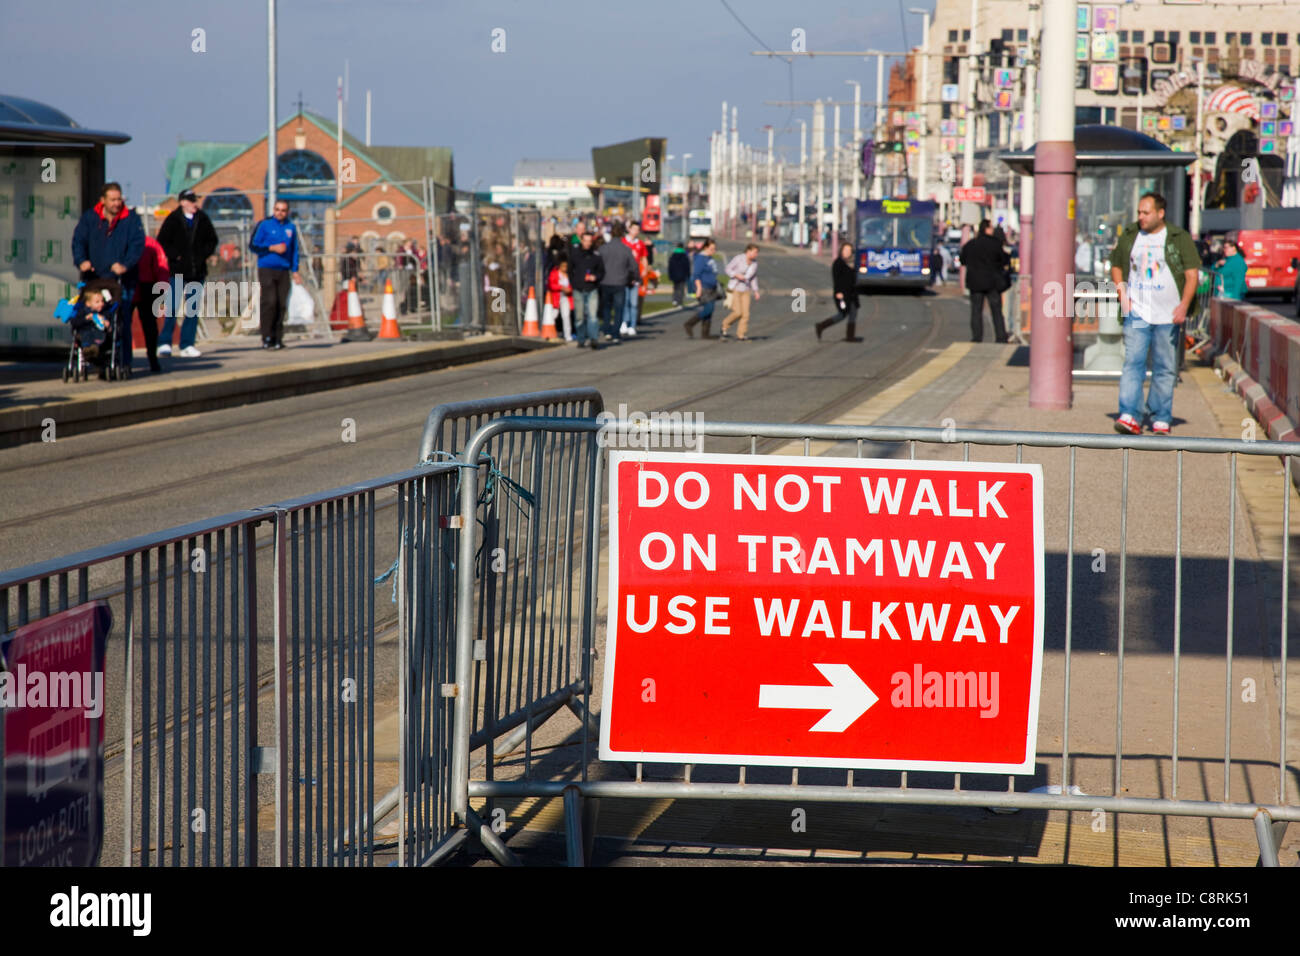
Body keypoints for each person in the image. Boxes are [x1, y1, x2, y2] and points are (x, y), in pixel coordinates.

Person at [1109, 191, 1202, 436]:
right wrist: (1123, 296)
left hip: (1167, 315)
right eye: (1139, 212)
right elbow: (1116, 265)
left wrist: (1184, 305)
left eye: (1146, 212)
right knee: (1133, 363)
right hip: (1137, 312)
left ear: (1160, 213)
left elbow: (1192, 274)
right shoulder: (1131, 234)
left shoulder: (1177, 237)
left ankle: (1161, 416)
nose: (1141, 217)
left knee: (1165, 366)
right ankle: (1129, 415)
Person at [71, 182, 145, 373]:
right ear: (103, 200)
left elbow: (137, 246)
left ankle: (123, 362)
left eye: (119, 199)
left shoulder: (131, 220)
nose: (117, 203)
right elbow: (78, 241)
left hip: (121, 281)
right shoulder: (90, 218)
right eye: (112, 199)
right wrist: (82, 261)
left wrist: (125, 265)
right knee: (86, 317)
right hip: (94, 278)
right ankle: (91, 354)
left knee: (121, 319)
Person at [156, 189, 218, 358]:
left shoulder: (203, 219)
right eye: (191, 201)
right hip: (177, 271)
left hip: (197, 272)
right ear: (182, 202)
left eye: (196, 201)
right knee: (173, 307)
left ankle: (187, 344)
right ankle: (164, 343)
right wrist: (175, 256)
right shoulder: (173, 219)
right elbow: (162, 241)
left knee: (192, 309)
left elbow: (212, 240)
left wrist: (202, 255)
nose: (195, 204)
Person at [248, 198, 301, 350]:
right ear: (273, 209)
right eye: (277, 209)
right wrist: (271, 248)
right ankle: (267, 337)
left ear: (287, 212)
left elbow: (295, 250)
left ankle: (278, 337)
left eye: (283, 210)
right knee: (269, 302)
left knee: (281, 304)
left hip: (283, 270)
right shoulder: (264, 225)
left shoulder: (291, 227)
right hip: (267, 268)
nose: (280, 213)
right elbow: (253, 245)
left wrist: (295, 270)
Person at [960, 219, 1010, 343]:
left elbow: (962, 260)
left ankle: (977, 337)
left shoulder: (971, 244)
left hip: (975, 283)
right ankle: (1001, 336)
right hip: (992, 283)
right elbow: (1003, 260)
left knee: (976, 311)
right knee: (996, 311)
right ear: (987, 229)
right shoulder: (995, 244)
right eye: (991, 228)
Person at [597, 221, 639, 341]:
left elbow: (597, 265)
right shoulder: (625, 250)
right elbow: (633, 266)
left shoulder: (603, 248)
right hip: (620, 282)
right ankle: (616, 332)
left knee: (606, 308)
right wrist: (635, 278)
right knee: (619, 308)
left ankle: (607, 330)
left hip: (605, 282)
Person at [815, 242, 863, 341]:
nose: (847, 252)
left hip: (851, 294)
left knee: (852, 313)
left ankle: (850, 336)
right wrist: (838, 293)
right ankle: (821, 326)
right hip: (842, 294)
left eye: (849, 251)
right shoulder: (838, 263)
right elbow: (836, 280)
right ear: (841, 251)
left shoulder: (850, 262)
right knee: (842, 314)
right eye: (845, 250)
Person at [134, 234, 169, 371]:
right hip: (127, 286)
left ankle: (152, 358)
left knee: (150, 327)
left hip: (146, 286)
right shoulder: (120, 239)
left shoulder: (151, 244)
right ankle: (123, 359)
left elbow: (161, 267)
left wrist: (161, 291)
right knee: (121, 325)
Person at [569, 230, 605, 349]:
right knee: (579, 316)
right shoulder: (575, 254)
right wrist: (574, 283)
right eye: (586, 241)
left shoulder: (596, 256)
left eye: (590, 241)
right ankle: (581, 338)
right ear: (582, 241)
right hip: (578, 289)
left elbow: (602, 272)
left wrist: (596, 277)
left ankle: (593, 338)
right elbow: (570, 270)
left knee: (592, 316)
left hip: (592, 289)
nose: (588, 244)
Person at [719, 243, 760, 341]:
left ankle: (741, 334)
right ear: (748, 251)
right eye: (755, 252)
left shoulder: (754, 264)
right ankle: (724, 325)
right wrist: (736, 275)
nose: (756, 254)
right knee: (738, 312)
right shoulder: (739, 259)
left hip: (745, 289)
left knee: (745, 314)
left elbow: (753, 277)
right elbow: (728, 269)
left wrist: (756, 291)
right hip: (735, 288)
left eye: (757, 253)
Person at [683, 238, 720, 338]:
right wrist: (698, 288)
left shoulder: (710, 258)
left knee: (710, 310)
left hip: (712, 287)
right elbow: (696, 275)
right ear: (706, 248)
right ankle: (689, 324)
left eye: (715, 249)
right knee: (708, 308)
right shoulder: (700, 258)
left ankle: (705, 333)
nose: (714, 251)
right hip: (704, 287)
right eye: (712, 249)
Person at [621, 221, 648, 336]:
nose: (636, 231)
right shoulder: (623, 242)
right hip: (624, 276)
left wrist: (644, 270)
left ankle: (632, 325)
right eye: (634, 229)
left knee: (634, 303)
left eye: (638, 229)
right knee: (625, 301)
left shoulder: (640, 243)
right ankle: (624, 322)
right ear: (629, 229)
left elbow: (644, 258)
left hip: (635, 276)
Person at [667, 241, 692, 306]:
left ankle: (675, 300)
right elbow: (687, 266)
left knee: (675, 287)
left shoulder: (672, 256)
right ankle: (679, 301)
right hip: (682, 274)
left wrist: (670, 275)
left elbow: (670, 266)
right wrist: (688, 274)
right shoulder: (685, 256)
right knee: (681, 289)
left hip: (674, 274)